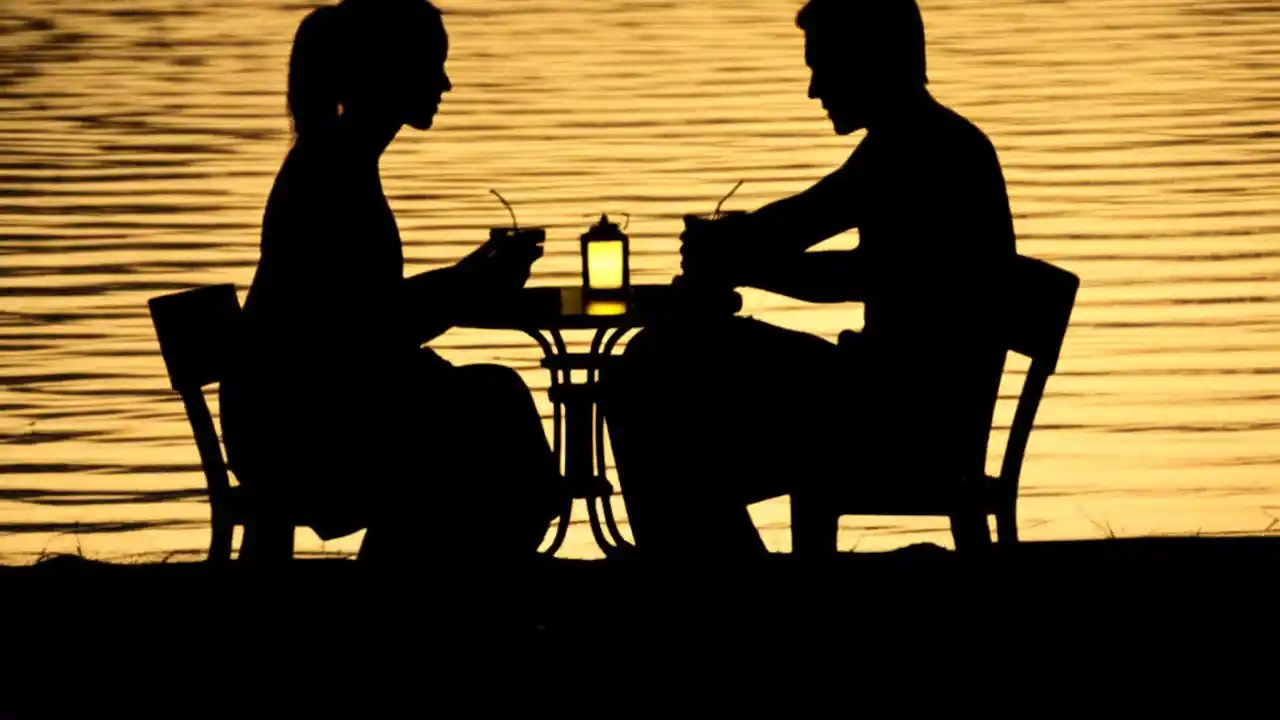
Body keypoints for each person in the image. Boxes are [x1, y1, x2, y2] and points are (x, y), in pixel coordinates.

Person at [603, 0, 1017, 556]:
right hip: (889, 396)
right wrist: (738, 246)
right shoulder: (913, 142)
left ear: (869, 59)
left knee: (654, 384)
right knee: (670, 376)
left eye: (822, 66)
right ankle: (712, 567)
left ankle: (709, 578)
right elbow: (808, 221)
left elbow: (853, 273)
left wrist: (737, 257)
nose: (814, 90)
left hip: (900, 419)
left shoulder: (923, 150)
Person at [220, 0, 561, 563]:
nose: (446, 84)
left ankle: (414, 575)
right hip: (305, 428)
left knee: (496, 402)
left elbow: (362, 315)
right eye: (433, 66)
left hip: (299, 405)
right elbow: (361, 331)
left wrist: (467, 278)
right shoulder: (332, 172)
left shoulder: (334, 157)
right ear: (386, 71)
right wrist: (468, 284)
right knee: (495, 415)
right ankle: (419, 585)